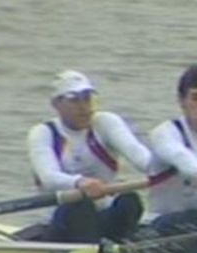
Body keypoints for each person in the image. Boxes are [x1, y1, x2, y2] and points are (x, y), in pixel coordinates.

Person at [24, 70, 154, 243]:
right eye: (74, 100)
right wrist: (80, 182)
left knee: (129, 200)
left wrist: (169, 168)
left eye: (87, 98)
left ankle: (122, 249)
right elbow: (48, 177)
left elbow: (140, 157)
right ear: (56, 104)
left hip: (102, 217)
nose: (83, 106)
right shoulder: (43, 133)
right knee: (79, 206)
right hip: (60, 223)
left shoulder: (105, 123)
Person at [145, 64, 197, 236]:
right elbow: (179, 155)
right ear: (182, 100)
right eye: (196, 98)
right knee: (193, 217)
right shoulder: (164, 133)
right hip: (159, 226)